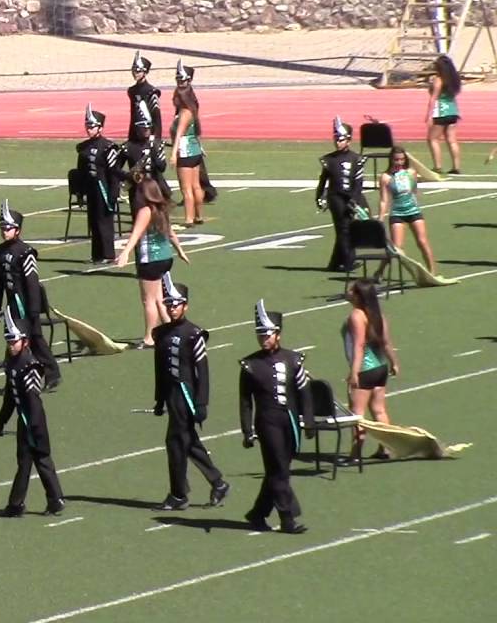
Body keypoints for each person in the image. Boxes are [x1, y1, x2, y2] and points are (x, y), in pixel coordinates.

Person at [151, 274, 230, 511]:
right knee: (187, 441)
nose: (172, 308)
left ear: (186, 305)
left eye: (176, 304)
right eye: (169, 304)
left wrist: (201, 403)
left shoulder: (194, 334)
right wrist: (159, 399)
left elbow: (202, 372)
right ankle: (218, 482)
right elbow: (160, 369)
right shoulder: (160, 333)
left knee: (176, 442)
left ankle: (178, 494)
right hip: (172, 395)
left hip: (187, 396)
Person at [239, 301, 315, 534]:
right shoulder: (250, 365)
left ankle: (258, 513)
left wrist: (309, 421)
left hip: (290, 422)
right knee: (280, 470)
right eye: (259, 334)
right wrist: (247, 430)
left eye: (267, 334)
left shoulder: (294, 360)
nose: (263, 339)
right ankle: (288, 518)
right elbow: (245, 402)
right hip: (267, 423)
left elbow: (304, 393)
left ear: (278, 334)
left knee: (276, 471)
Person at [0, 308, 66, 518]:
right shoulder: (13, 364)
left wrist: (32, 428)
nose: (10, 345)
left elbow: (33, 402)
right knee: (26, 462)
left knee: (40, 459)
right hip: (24, 422)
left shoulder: (30, 366)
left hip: (34, 422)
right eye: (8, 341)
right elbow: (9, 396)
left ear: (24, 341)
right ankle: (40, 501)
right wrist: (1, 422)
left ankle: (46, 501)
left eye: (13, 341)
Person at [0, 199, 63, 388]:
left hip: (27, 304)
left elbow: (32, 284)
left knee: (36, 339)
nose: (4, 231)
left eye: (8, 228)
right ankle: (13, 377)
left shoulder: (25, 253)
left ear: (18, 230)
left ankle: (52, 373)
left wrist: (34, 312)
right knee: (12, 340)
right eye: (2, 228)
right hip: (12, 305)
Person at [114, 178, 190, 348]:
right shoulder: (162, 209)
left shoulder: (145, 211)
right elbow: (170, 233)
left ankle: (149, 337)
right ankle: (170, 330)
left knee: (148, 300)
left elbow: (136, 233)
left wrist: (125, 253)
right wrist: (180, 251)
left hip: (150, 260)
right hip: (165, 258)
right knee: (159, 299)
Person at [341, 279, 399, 464]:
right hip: (380, 367)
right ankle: (386, 448)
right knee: (379, 410)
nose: (348, 291)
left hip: (365, 368)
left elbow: (358, 345)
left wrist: (354, 372)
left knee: (356, 413)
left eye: (352, 289)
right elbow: (386, 342)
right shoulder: (378, 314)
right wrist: (394, 363)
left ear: (359, 296)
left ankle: (355, 453)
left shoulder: (356, 316)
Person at [315, 116, 369, 273]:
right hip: (335, 197)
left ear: (349, 140)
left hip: (351, 196)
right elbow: (323, 181)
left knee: (346, 230)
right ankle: (349, 260)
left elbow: (358, 184)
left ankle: (334, 263)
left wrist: (356, 200)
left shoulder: (357, 159)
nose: (338, 142)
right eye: (336, 139)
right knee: (344, 229)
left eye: (341, 139)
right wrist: (319, 196)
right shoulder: (328, 160)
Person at [76, 104, 124, 263]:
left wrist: (114, 192)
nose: (89, 129)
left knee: (105, 222)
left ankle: (108, 254)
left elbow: (114, 172)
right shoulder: (83, 148)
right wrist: (80, 193)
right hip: (91, 189)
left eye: (92, 126)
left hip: (104, 188)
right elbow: (81, 172)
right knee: (94, 221)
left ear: (100, 128)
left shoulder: (108, 147)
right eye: (87, 125)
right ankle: (96, 254)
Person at [378, 145, 437, 274]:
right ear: (391, 160)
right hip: (397, 213)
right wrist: (381, 218)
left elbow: (414, 191)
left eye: (402, 159)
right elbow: (384, 200)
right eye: (396, 160)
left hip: (413, 211)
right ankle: (380, 271)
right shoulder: (385, 177)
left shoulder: (411, 172)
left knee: (422, 241)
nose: (399, 162)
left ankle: (432, 272)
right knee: (396, 247)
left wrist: (415, 203)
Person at [170, 59, 207, 226]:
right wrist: (200, 146)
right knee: (196, 185)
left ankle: (189, 218)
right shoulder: (193, 109)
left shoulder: (184, 112)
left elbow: (179, 134)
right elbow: (197, 131)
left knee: (187, 189)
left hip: (185, 151)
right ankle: (199, 215)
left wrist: (173, 154)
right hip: (195, 150)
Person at [123, 101, 170, 209]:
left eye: (148, 127)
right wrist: (129, 176)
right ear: (137, 128)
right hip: (136, 188)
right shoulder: (128, 147)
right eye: (143, 127)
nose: (146, 130)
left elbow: (162, 167)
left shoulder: (156, 145)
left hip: (155, 185)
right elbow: (116, 169)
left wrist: (153, 151)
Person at [425, 54, 463, 175]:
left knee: (432, 139)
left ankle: (437, 166)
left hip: (441, 111)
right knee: (451, 140)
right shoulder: (454, 80)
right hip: (453, 110)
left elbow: (433, 98)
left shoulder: (439, 79)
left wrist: (429, 115)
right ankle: (456, 166)